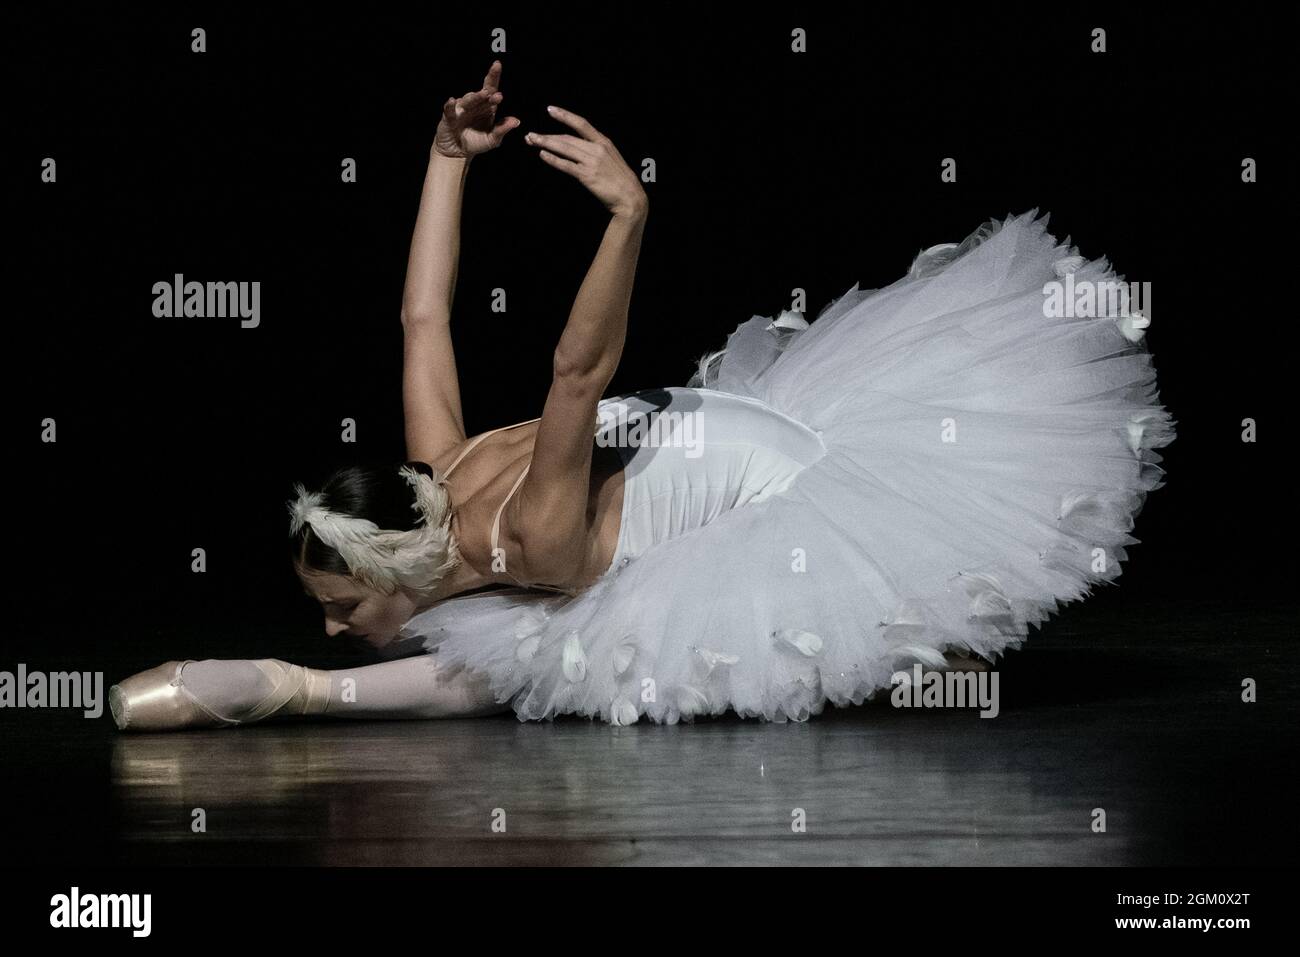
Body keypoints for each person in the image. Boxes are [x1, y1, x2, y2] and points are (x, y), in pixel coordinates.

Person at [109, 61, 1177, 731]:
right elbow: (422, 321)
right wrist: (447, 160)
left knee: (823, 661)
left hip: (783, 485)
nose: (340, 627)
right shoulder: (434, 470)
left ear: (398, 567)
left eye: (341, 610)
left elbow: (577, 375)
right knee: (538, 650)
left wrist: (626, 218)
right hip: (692, 438)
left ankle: (927, 644)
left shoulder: (526, 533)